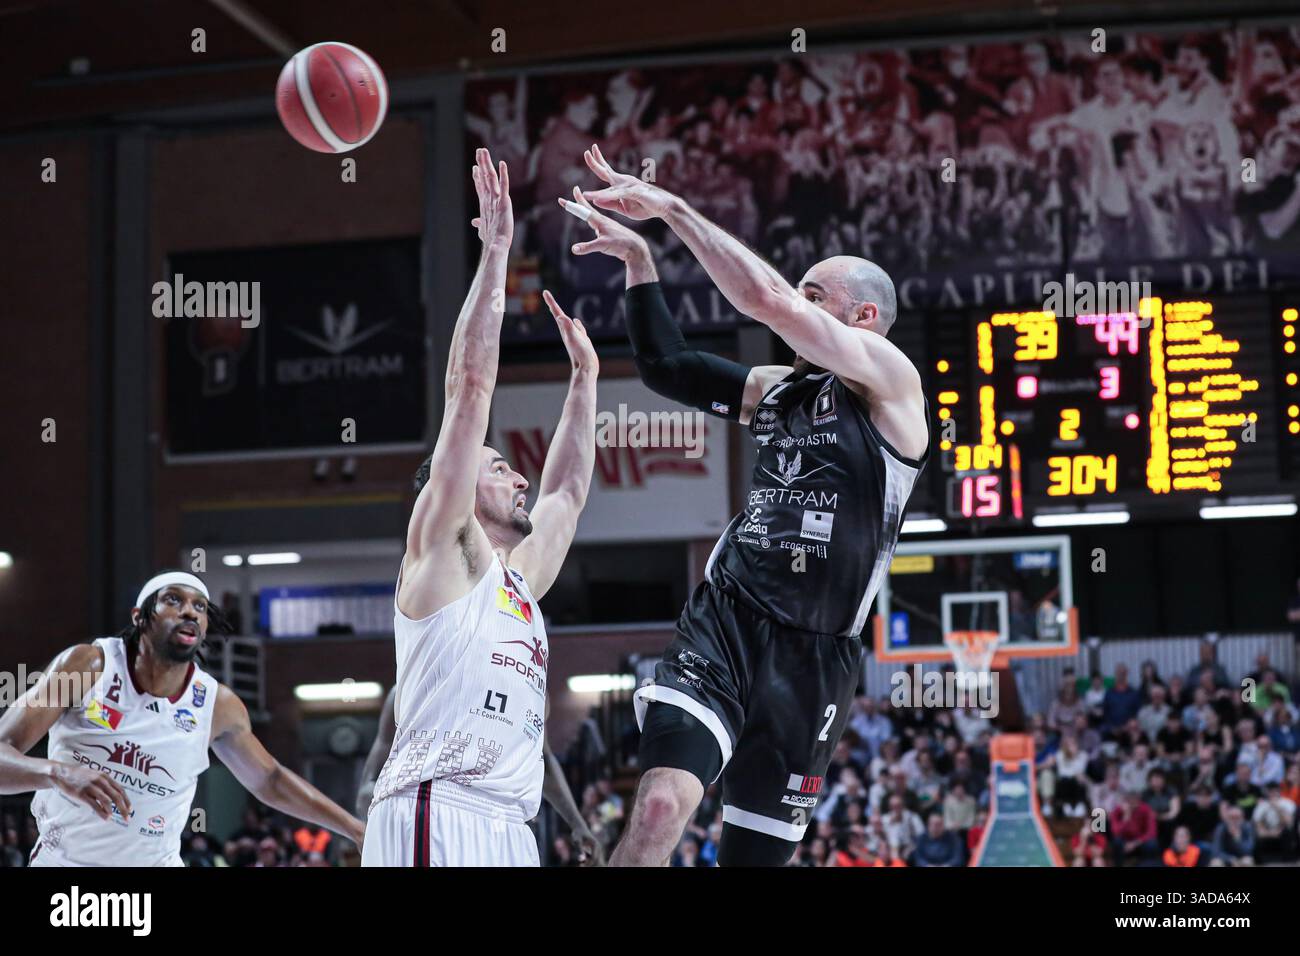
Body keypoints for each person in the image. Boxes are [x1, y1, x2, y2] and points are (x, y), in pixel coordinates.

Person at [561, 143, 929, 865]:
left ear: (863, 316)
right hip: (727, 620)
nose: (797, 303)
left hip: (816, 656)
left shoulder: (892, 383)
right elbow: (669, 367)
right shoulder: (775, 386)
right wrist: (642, 266)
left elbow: (765, 300)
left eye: (814, 295)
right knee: (664, 801)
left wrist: (673, 208)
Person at [362, 149, 599, 867]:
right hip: (438, 805)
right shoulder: (446, 551)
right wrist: (495, 254)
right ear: (456, 484)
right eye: (500, 468)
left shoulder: (517, 581)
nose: (519, 479)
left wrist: (585, 379)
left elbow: (568, 492)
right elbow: (469, 389)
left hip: (511, 826)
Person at [0, 571, 364, 866]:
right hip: (65, 867)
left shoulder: (216, 704)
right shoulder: (88, 666)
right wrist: (57, 773)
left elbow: (269, 779)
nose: (190, 611)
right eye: (173, 599)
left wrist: (355, 829)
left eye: (200, 606)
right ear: (139, 616)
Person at [357, 686, 602, 864]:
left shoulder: (531, 686)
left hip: (512, 827)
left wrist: (577, 823)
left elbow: (544, 761)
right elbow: (366, 789)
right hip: (440, 817)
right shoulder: (412, 685)